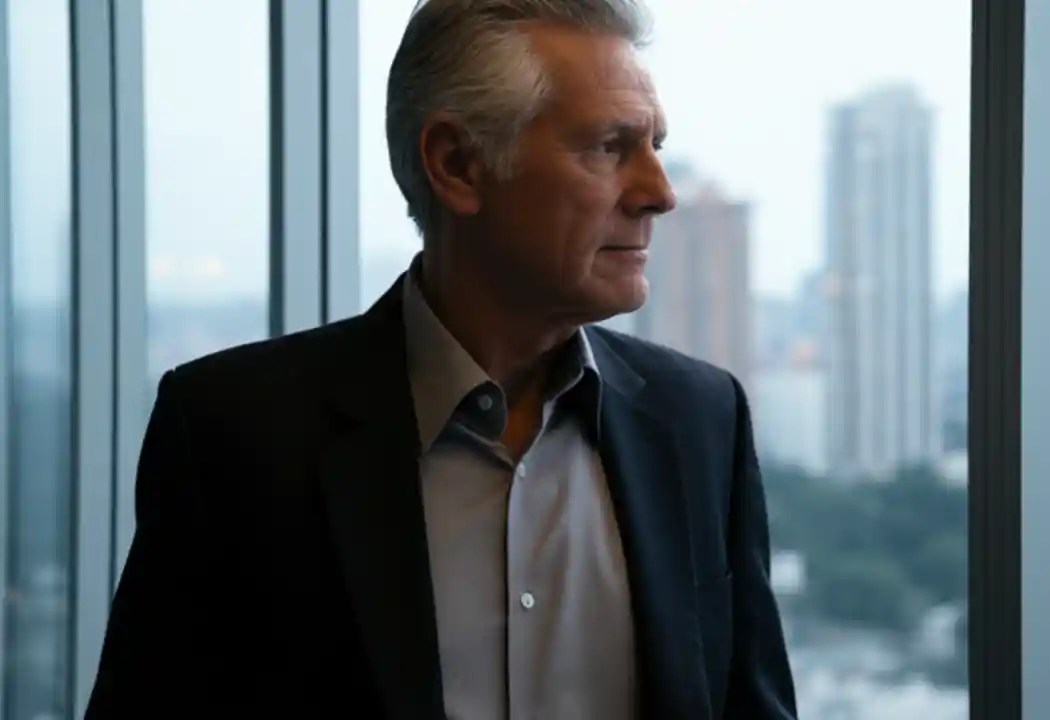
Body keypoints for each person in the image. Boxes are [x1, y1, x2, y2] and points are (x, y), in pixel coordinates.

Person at [86, 0, 796, 717]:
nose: (659, 194)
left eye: (655, 147)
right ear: (457, 165)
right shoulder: (234, 435)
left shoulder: (701, 420)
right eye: (609, 147)